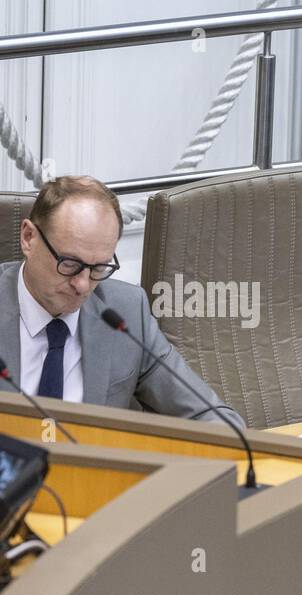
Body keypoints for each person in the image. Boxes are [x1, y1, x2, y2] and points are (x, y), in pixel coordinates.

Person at [0, 175, 243, 426]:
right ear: (29, 237)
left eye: (99, 268)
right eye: (70, 264)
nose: (83, 285)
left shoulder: (125, 312)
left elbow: (212, 416)